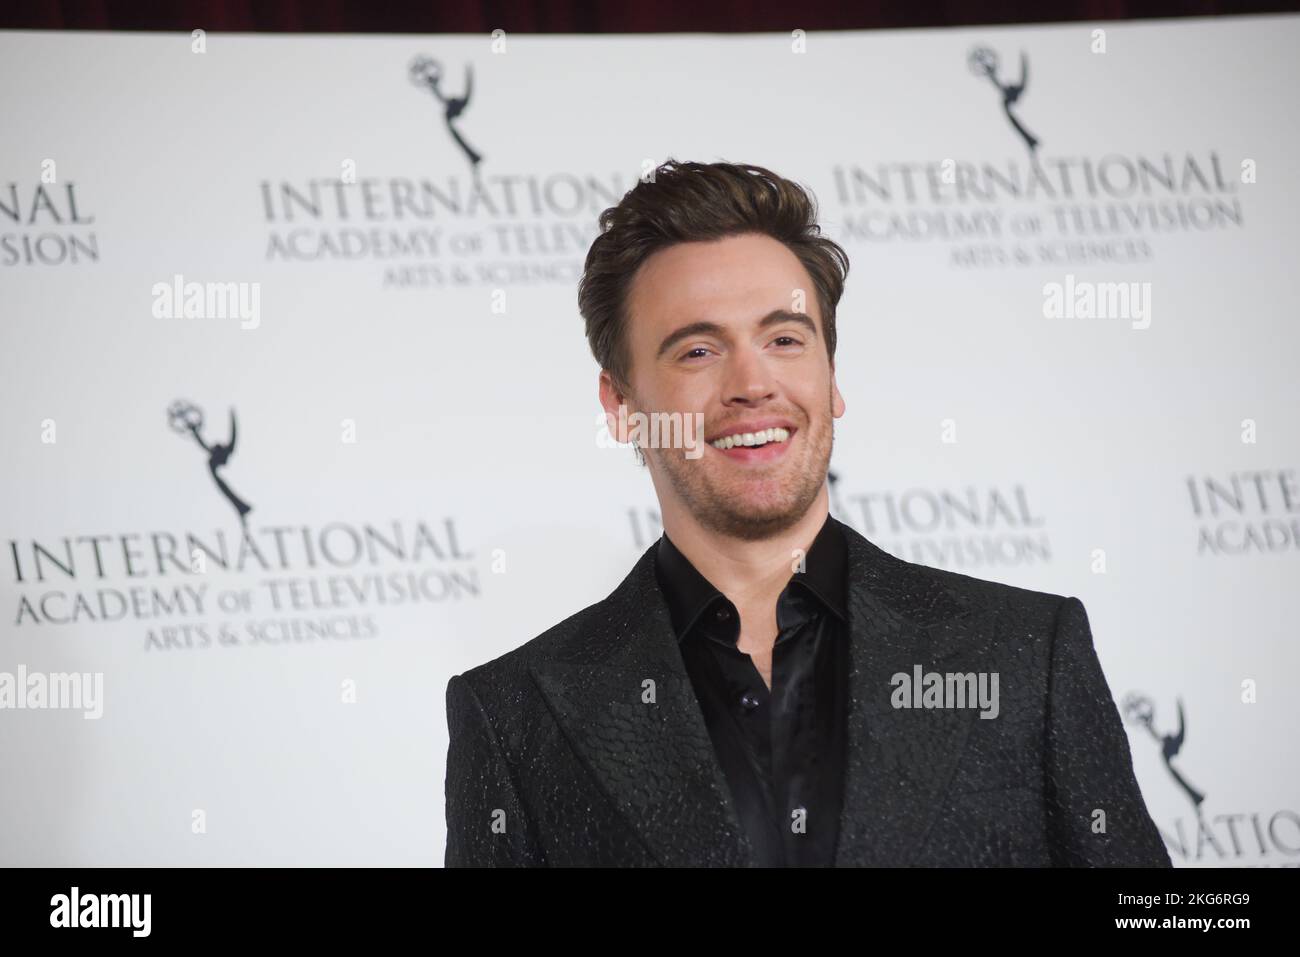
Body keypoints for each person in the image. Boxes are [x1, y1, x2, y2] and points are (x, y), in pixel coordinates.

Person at [443, 159, 1171, 867]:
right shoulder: (514, 717)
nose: (753, 383)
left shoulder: (1026, 654)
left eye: (785, 339)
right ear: (622, 406)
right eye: (698, 349)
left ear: (832, 376)